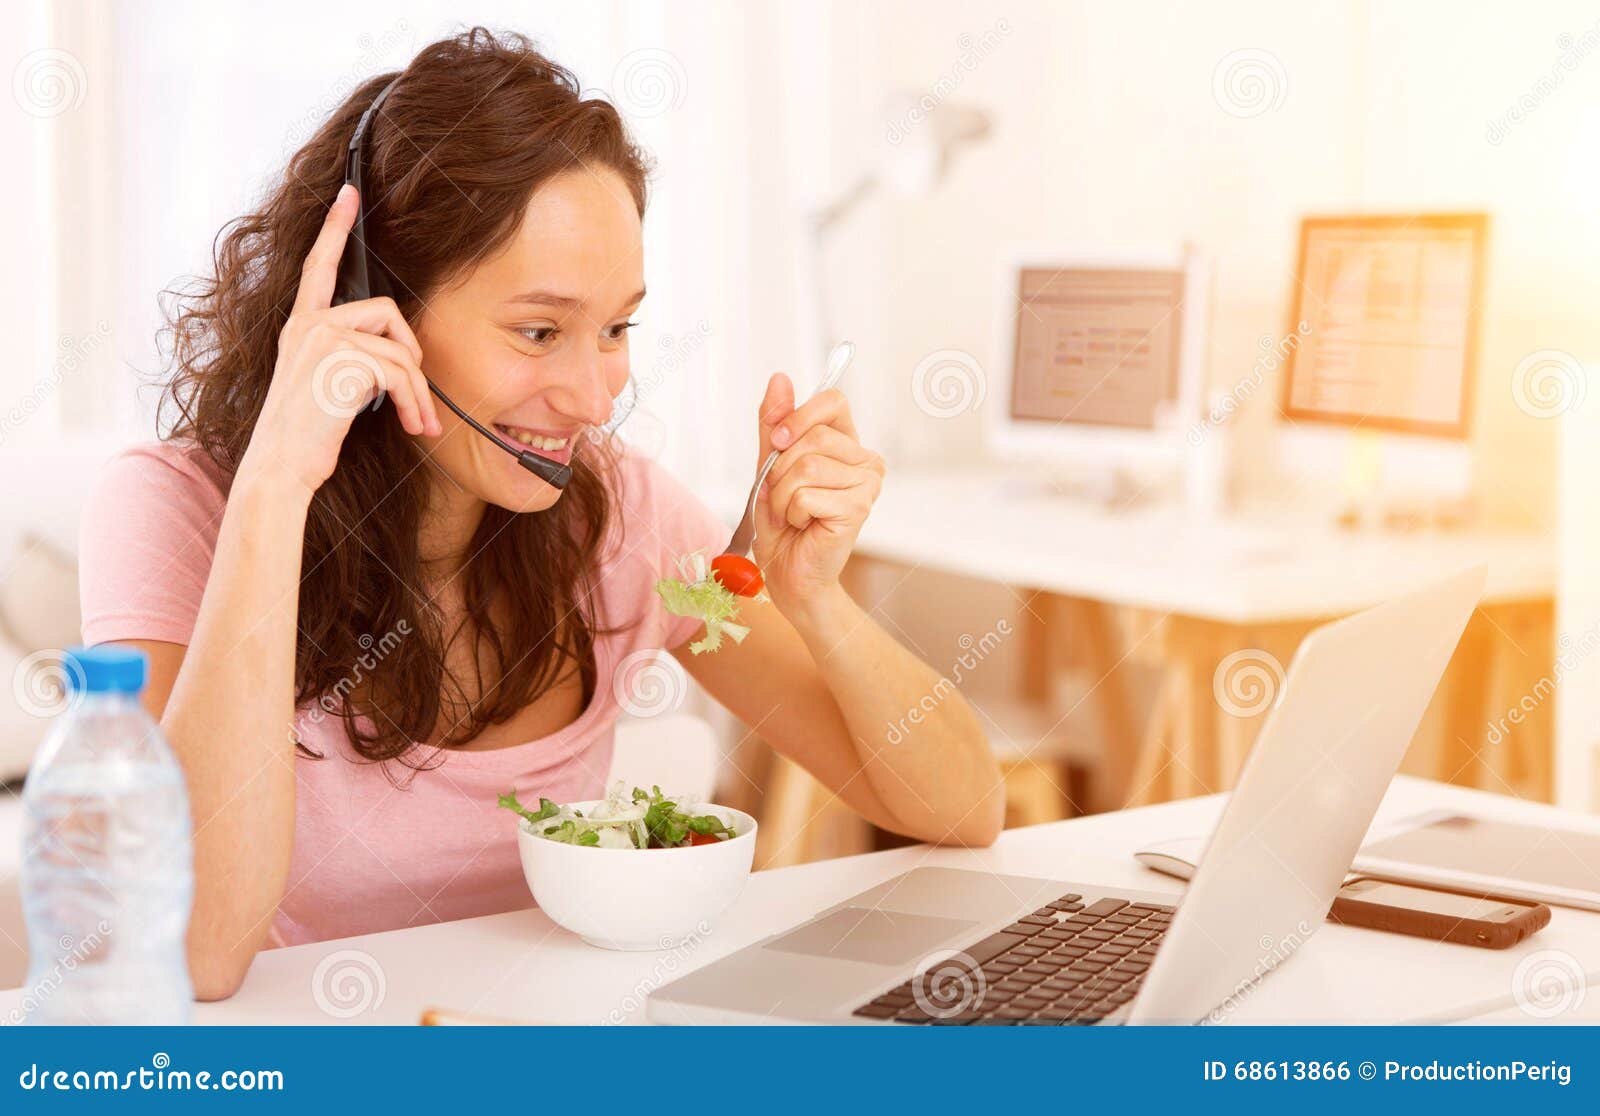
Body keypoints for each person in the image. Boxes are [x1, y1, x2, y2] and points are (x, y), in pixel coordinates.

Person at [79, 28, 1002, 1000]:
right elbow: (195, 951)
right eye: (538, 331)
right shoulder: (172, 509)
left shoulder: (618, 516)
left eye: (613, 330)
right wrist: (276, 485)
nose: (594, 396)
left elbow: (961, 811)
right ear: (374, 304)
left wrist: (813, 597)